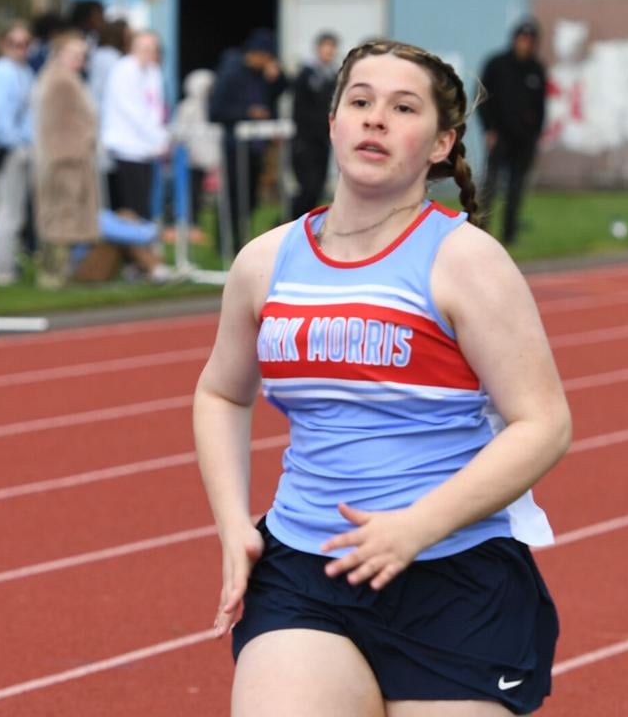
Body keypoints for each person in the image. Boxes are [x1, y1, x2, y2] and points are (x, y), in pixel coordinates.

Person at [194, 40, 571, 716]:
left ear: (440, 143)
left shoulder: (465, 262)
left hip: (453, 581)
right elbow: (221, 392)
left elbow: (543, 424)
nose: (375, 119)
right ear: (333, 120)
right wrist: (233, 526)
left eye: (403, 108)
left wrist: (416, 527)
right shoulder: (265, 263)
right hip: (306, 572)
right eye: (360, 102)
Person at [32, 30, 101, 288]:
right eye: (75, 54)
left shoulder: (62, 78)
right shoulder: (60, 81)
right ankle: (53, 274)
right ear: (59, 54)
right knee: (61, 215)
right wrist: (73, 150)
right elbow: (55, 125)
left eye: (83, 55)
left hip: (67, 156)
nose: (81, 59)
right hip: (65, 159)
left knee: (63, 215)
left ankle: (58, 272)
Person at [209, 28, 288, 250]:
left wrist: (278, 75)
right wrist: (247, 113)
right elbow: (215, 111)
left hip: (255, 146)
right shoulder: (230, 72)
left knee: (251, 197)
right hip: (234, 146)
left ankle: (240, 237)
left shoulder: (262, 74)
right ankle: (227, 242)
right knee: (233, 196)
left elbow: (281, 90)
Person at [477, 19, 547, 246]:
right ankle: (481, 230)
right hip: (500, 136)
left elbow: (541, 107)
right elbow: (482, 98)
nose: (525, 44)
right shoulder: (497, 65)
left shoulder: (537, 70)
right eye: (522, 39)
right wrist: (488, 129)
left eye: (529, 40)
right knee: (490, 186)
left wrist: (535, 136)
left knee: (516, 190)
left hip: (523, 140)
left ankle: (509, 235)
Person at [0, 21, 36, 286]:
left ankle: (11, 262)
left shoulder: (23, 71)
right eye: (15, 43)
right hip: (10, 149)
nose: (21, 49)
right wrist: (15, 143)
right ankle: (2, 268)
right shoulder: (2, 72)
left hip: (25, 146)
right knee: (8, 210)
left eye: (26, 44)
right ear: (3, 44)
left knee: (18, 213)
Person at [100, 30, 169, 220]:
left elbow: (155, 107)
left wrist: (159, 137)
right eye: (144, 48)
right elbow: (133, 110)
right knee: (132, 207)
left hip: (146, 149)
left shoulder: (152, 72)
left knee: (144, 205)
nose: (149, 53)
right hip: (126, 147)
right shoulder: (124, 70)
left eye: (153, 48)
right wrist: (159, 137)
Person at [289, 31, 339, 218]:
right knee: (308, 187)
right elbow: (300, 109)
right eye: (326, 47)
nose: (329, 52)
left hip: (323, 141)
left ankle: (303, 225)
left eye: (332, 48)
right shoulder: (306, 74)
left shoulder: (333, 76)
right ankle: (289, 223)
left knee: (318, 188)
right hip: (306, 140)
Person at [169, 68, 222, 244]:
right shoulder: (187, 107)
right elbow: (180, 132)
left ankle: (200, 225)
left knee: (207, 195)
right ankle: (188, 224)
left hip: (209, 156)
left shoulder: (213, 105)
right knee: (191, 192)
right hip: (191, 158)